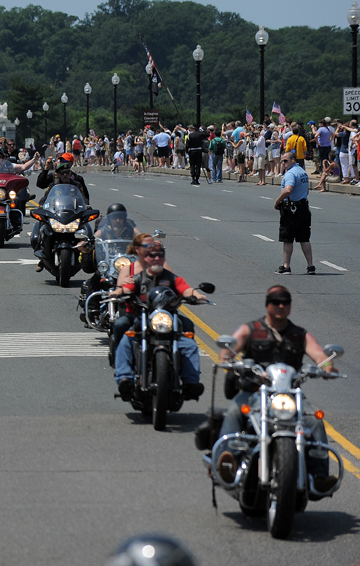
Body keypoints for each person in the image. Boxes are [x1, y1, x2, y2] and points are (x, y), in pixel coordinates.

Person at [215, 285, 338, 493]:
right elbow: (230, 349)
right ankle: (226, 463)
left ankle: (319, 476)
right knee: (236, 410)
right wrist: (227, 358)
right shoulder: (251, 329)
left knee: (315, 420)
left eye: (285, 301)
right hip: (255, 392)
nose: (281, 305)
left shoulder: (300, 335)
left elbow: (319, 355)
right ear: (267, 304)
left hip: (289, 395)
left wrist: (327, 367)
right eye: (276, 301)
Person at [113, 241, 206, 401]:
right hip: (142, 319)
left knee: (189, 344)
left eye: (160, 255)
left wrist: (196, 296)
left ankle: (191, 382)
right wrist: (118, 292)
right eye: (152, 255)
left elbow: (185, 288)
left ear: (164, 258)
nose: (156, 258)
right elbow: (126, 287)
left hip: (168, 321)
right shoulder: (137, 278)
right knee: (126, 342)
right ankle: (124, 379)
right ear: (146, 258)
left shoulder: (172, 278)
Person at [274, 152, 315, 275]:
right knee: (304, 238)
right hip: (303, 207)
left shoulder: (291, 173)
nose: (283, 163)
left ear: (293, 160)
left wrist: (278, 201)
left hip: (291, 209)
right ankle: (310, 266)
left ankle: (286, 266)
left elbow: (288, 189)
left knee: (288, 239)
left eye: (285, 161)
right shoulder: (302, 172)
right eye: (282, 161)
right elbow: (306, 191)